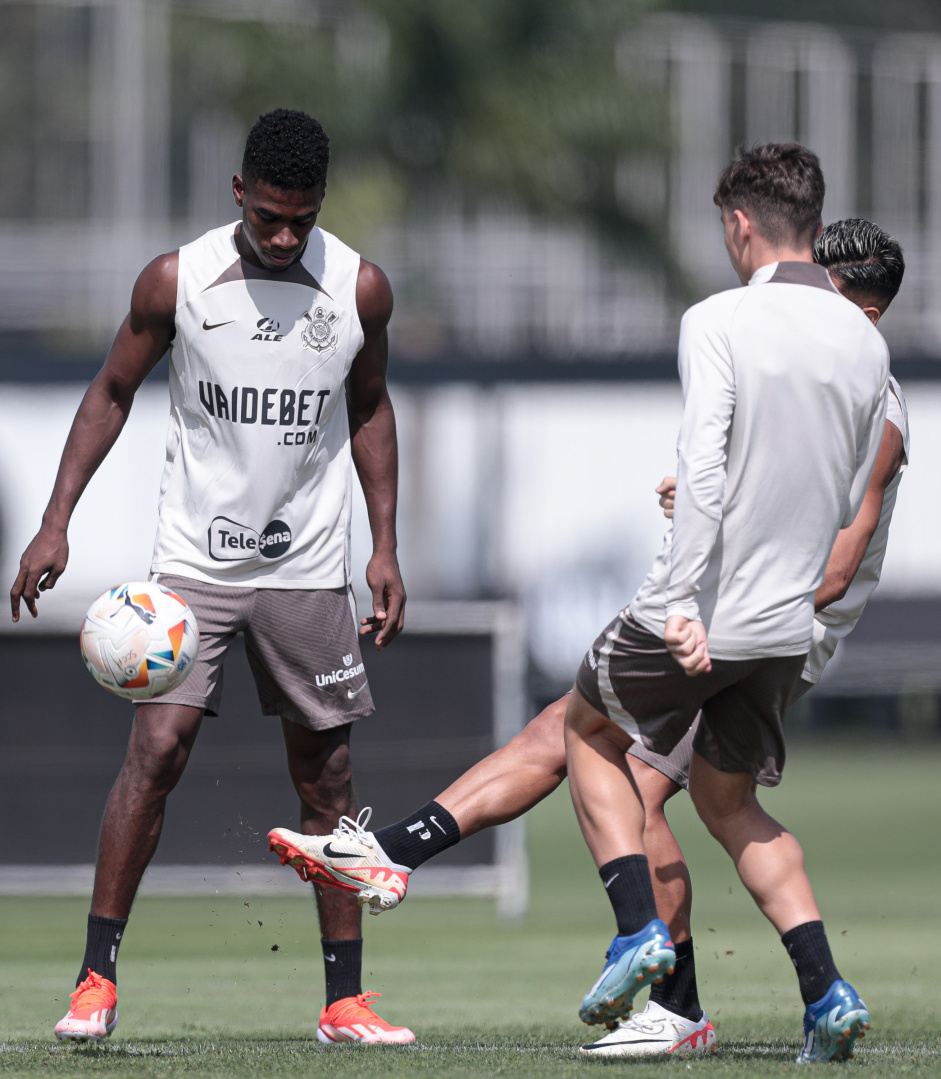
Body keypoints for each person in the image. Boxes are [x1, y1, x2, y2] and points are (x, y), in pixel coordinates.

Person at [269, 153, 891, 1062]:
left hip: (705, 611)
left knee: (586, 733)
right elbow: (834, 495)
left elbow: (710, 467)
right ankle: (824, 989)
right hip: (783, 627)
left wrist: (678, 596)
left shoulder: (720, 318)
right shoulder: (864, 343)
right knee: (725, 801)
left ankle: (640, 946)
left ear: (739, 226)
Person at [9, 108, 414, 1046]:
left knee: (329, 775)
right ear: (238, 193)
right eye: (269, 215)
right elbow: (111, 390)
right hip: (191, 567)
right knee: (157, 753)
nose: (283, 235)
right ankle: (93, 983)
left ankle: (343, 1000)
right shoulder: (176, 279)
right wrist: (55, 519)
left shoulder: (357, 287)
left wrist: (383, 544)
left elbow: (371, 409)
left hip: (309, 567)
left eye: (300, 219)